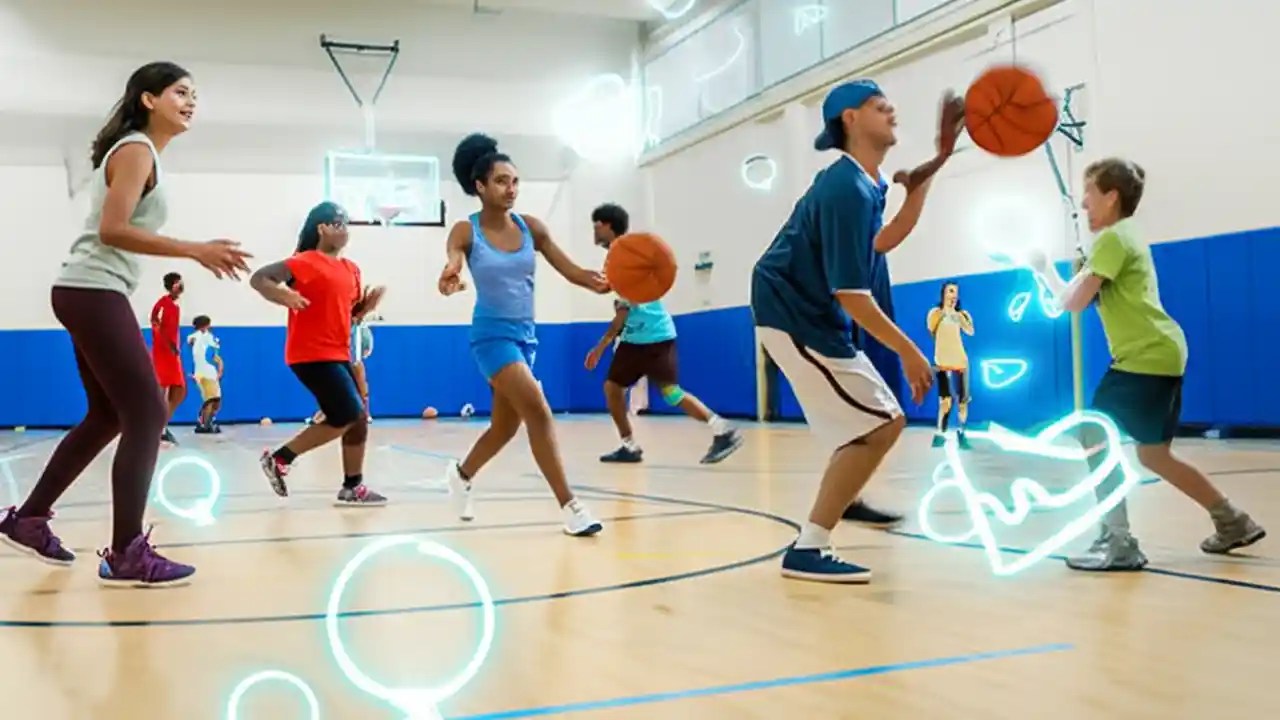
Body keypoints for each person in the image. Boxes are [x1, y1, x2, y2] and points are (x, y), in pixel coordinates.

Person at [0, 61, 251, 588]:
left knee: (107, 416)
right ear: (147, 99)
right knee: (145, 413)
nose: (190, 101)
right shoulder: (137, 149)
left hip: (87, 291)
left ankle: (27, 519)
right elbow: (113, 230)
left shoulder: (143, 152)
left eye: (194, 94)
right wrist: (194, 249)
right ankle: (127, 553)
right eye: (180, 92)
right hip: (92, 289)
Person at [751, 79, 961, 583]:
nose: (891, 109)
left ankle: (842, 504)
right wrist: (912, 351)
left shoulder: (867, 183)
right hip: (791, 309)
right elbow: (851, 294)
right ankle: (808, 547)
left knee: (870, 423)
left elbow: (883, 241)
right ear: (849, 119)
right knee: (881, 422)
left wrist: (937, 164)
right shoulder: (845, 186)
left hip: (807, 312)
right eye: (876, 104)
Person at [1030, 158, 1266, 570]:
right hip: (1161, 353)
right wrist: (1050, 272)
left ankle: (1118, 542)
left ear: (1111, 196)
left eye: (1089, 193)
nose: (1084, 204)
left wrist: (1043, 268)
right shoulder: (1125, 236)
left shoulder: (1113, 239)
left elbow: (1072, 302)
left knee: (1091, 431)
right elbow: (1073, 300)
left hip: (1145, 355)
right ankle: (1233, 521)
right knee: (1154, 455)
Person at [438, 133, 607, 536]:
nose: (510, 189)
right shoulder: (467, 230)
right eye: (501, 181)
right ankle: (571, 507)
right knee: (538, 410)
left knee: (504, 427)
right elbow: (454, 261)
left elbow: (572, 271)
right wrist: (451, 273)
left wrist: (600, 281)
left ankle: (461, 475)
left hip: (525, 338)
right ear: (480, 187)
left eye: (515, 181)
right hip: (491, 337)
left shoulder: (532, 228)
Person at [252, 201, 388, 507]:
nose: (344, 229)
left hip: (339, 351)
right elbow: (260, 278)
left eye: (346, 223)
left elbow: (349, 314)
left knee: (359, 418)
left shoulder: (351, 269)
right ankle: (280, 458)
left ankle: (353, 486)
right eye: (337, 223)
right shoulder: (305, 261)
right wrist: (283, 293)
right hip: (309, 353)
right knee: (347, 413)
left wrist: (365, 308)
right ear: (321, 228)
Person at [585, 203, 743, 464]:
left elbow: (623, 313)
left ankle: (722, 429)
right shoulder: (620, 255)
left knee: (669, 392)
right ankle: (629, 445)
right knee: (613, 388)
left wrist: (600, 347)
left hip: (654, 336)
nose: (593, 231)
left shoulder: (625, 257)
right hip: (637, 338)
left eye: (596, 225)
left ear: (607, 225)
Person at [927, 281, 973, 449]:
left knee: (962, 401)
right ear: (944, 294)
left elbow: (970, 331)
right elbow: (931, 328)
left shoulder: (962, 314)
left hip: (960, 363)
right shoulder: (935, 312)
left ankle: (961, 432)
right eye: (951, 291)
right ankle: (940, 433)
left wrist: (960, 317)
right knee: (945, 401)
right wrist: (944, 313)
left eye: (956, 292)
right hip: (942, 363)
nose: (954, 295)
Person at [150, 271, 186, 444]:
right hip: (164, 354)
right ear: (170, 285)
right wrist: (168, 346)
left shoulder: (174, 306)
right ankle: (158, 428)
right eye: (177, 283)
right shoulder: (162, 305)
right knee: (162, 391)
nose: (180, 286)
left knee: (178, 391)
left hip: (173, 353)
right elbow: (156, 326)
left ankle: (161, 426)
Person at [188, 314, 223, 433]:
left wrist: (220, 369)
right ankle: (203, 424)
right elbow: (191, 341)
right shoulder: (195, 336)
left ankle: (209, 421)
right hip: (203, 373)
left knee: (217, 400)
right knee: (209, 399)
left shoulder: (211, 338)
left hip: (212, 373)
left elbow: (215, 355)